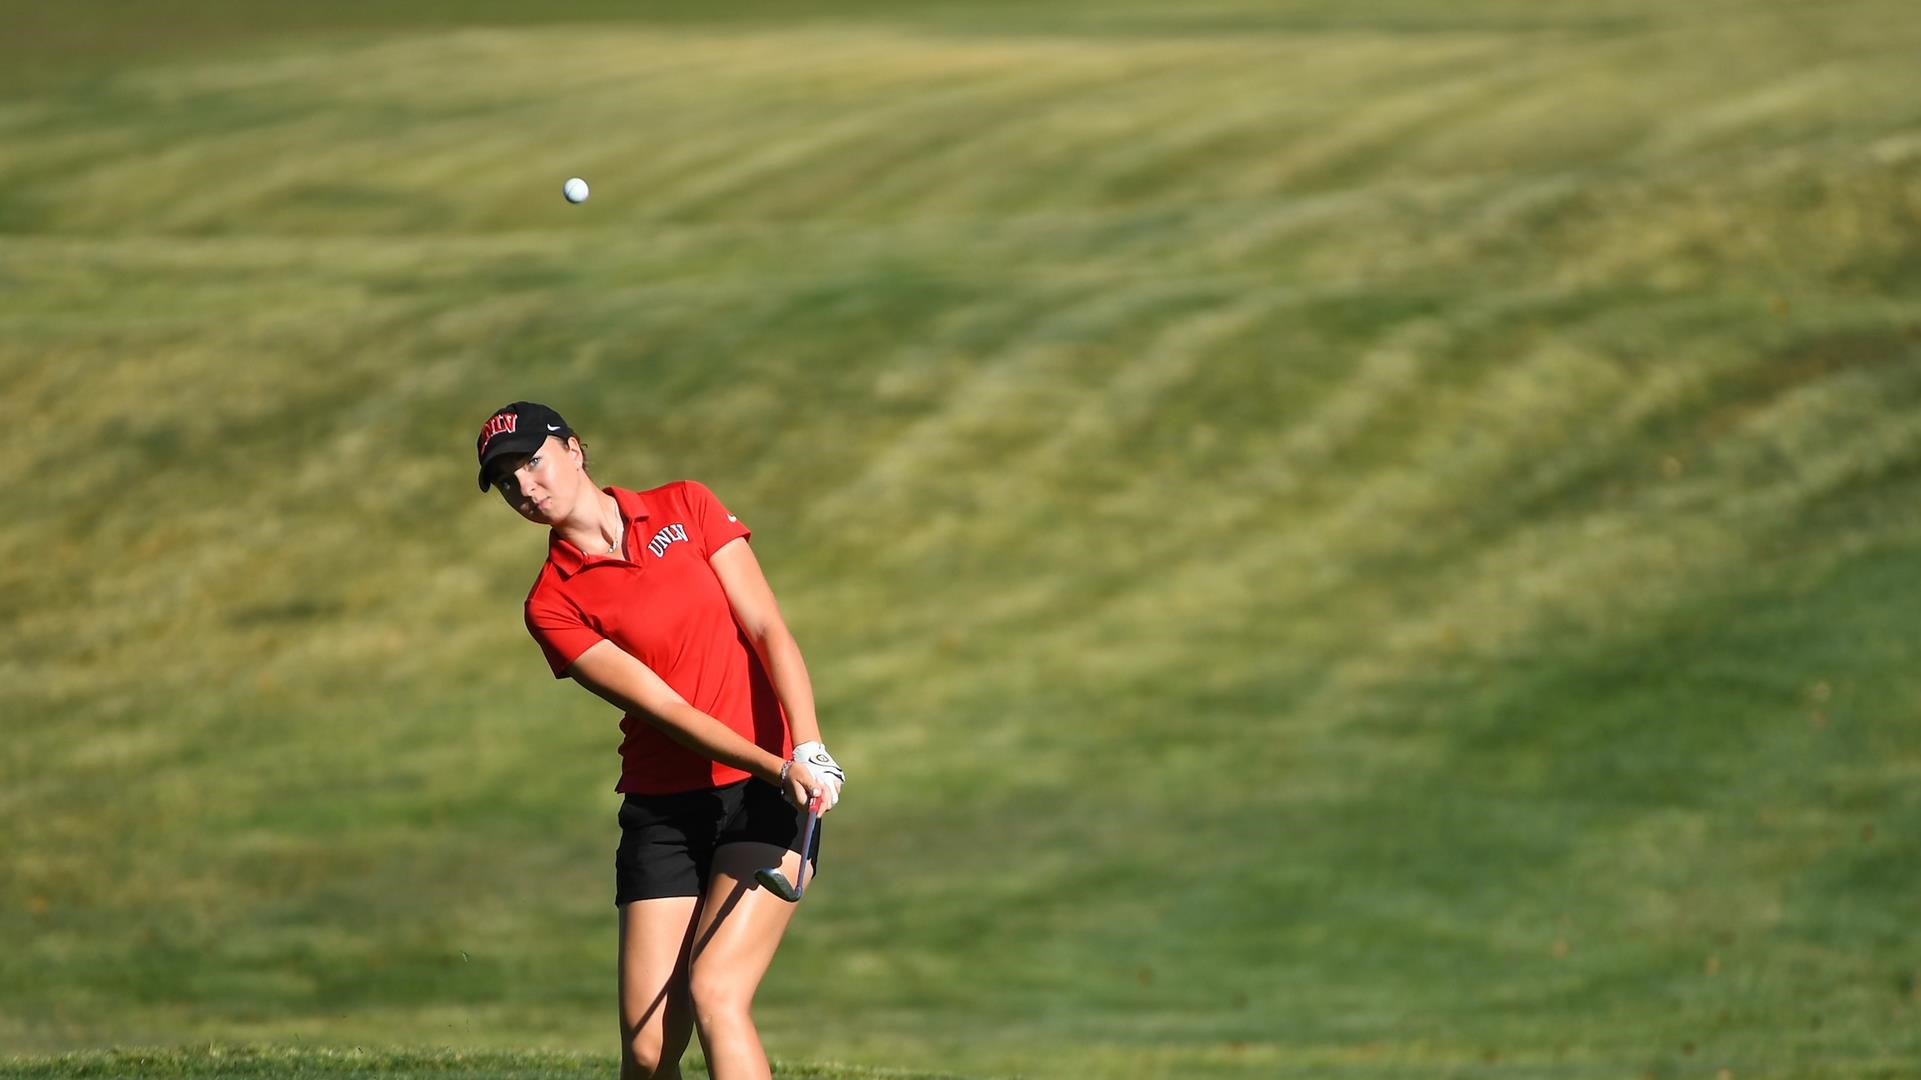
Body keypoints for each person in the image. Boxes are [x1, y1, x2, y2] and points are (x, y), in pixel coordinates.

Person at [473, 401, 846, 1080]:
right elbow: (667, 710)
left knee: (717, 993)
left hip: (764, 796)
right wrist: (776, 762)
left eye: (532, 462)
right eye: (505, 481)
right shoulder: (551, 603)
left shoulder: (687, 505)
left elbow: (766, 628)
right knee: (647, 1055)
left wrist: (807, 748)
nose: (524, 488)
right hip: (666, 810)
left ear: (575, 448)